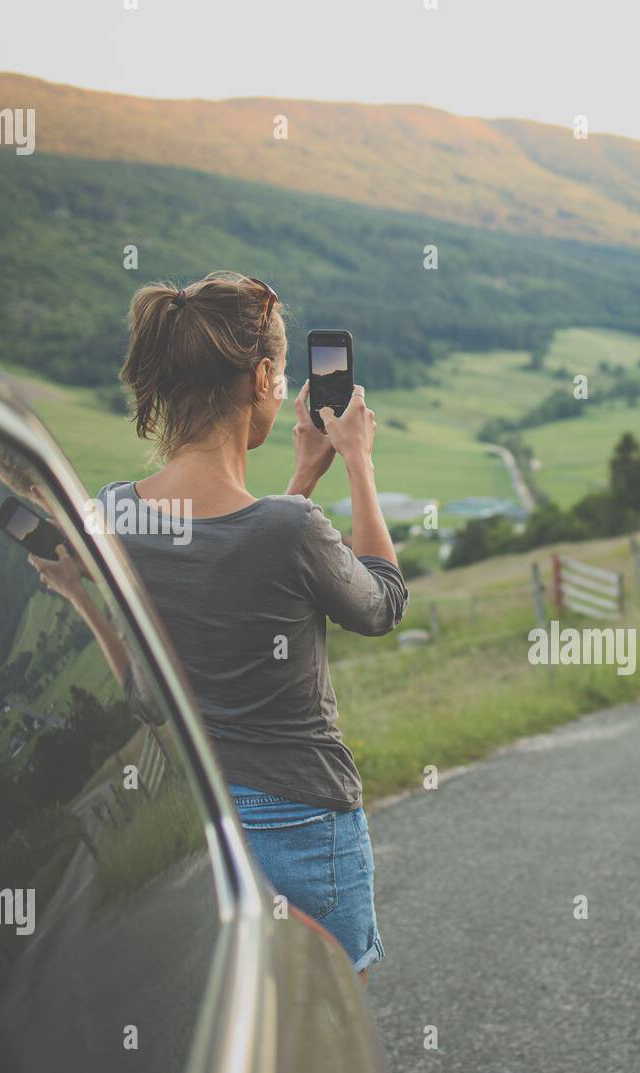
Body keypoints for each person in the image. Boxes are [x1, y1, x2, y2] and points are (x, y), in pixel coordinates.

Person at [102, 270, 407, 977]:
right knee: (317, 1045)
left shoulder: (116, 509)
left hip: (189, 824)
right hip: (296, 824)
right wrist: (357, 463)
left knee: (225, 1038)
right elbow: (383, 604)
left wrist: (300, 482)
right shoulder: (289, 528)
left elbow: (228, 559)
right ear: (264, 376)